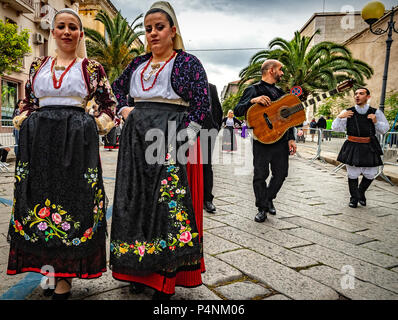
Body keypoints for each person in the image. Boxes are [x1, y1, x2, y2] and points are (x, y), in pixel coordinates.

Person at [8, 8, 116, 300]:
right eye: (61, 27)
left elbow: (110, 104)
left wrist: (93, 125)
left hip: (76, 144)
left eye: (72, 27)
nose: (67, 32)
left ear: (80, 33)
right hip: (39, 143)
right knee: (39, 201)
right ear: (53, 32)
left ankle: (65, 275)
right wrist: (26, 120)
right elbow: (27, 101)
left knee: (73, 203)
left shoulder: (92, 68)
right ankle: (47, 270)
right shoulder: (37, 65)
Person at [110, 1, 210, 300]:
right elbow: (115, 89)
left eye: (159, 27)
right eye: (148, 28)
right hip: (135, 141)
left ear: (173, 30)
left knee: (166, 207)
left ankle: (165, 277)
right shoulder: (136, 65)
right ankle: (136, 269)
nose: (153, 33)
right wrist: (125, 109)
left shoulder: (188, 63)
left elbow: (202, 107)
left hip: (170, 139)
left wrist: (187, 141)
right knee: (134, 203)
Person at [234, 59, 296, 222]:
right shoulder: (253, 89)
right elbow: (237, 110)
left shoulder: (281, 93)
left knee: (281, 174)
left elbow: (288, 118)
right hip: (261, 139)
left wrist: (291, 139)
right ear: (271, 70)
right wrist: (253, 101)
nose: (282, 73)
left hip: (281, 140)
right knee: (261, 175)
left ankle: (268, 198)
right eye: (280, 69)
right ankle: (262, 208)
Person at [332, 87, 389, 208]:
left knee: (371, 173)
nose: (357, 96)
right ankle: (354, 198)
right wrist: (340, 117)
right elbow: (336, 129)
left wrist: (375, 122)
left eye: (361, 93)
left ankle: (361, 192)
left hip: (369, 146)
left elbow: (384, 130)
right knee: (352, 173)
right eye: (356, 94)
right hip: (352, 145)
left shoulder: (376, 112)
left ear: (368, 97)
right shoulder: (347, 112)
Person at [202, 83, 223, 213]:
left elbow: (217, 110)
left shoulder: (211, 87)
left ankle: (207, 199)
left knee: (206, 166)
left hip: (207, 132)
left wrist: (215, 128)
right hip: (185, 131)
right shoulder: (183, 86)